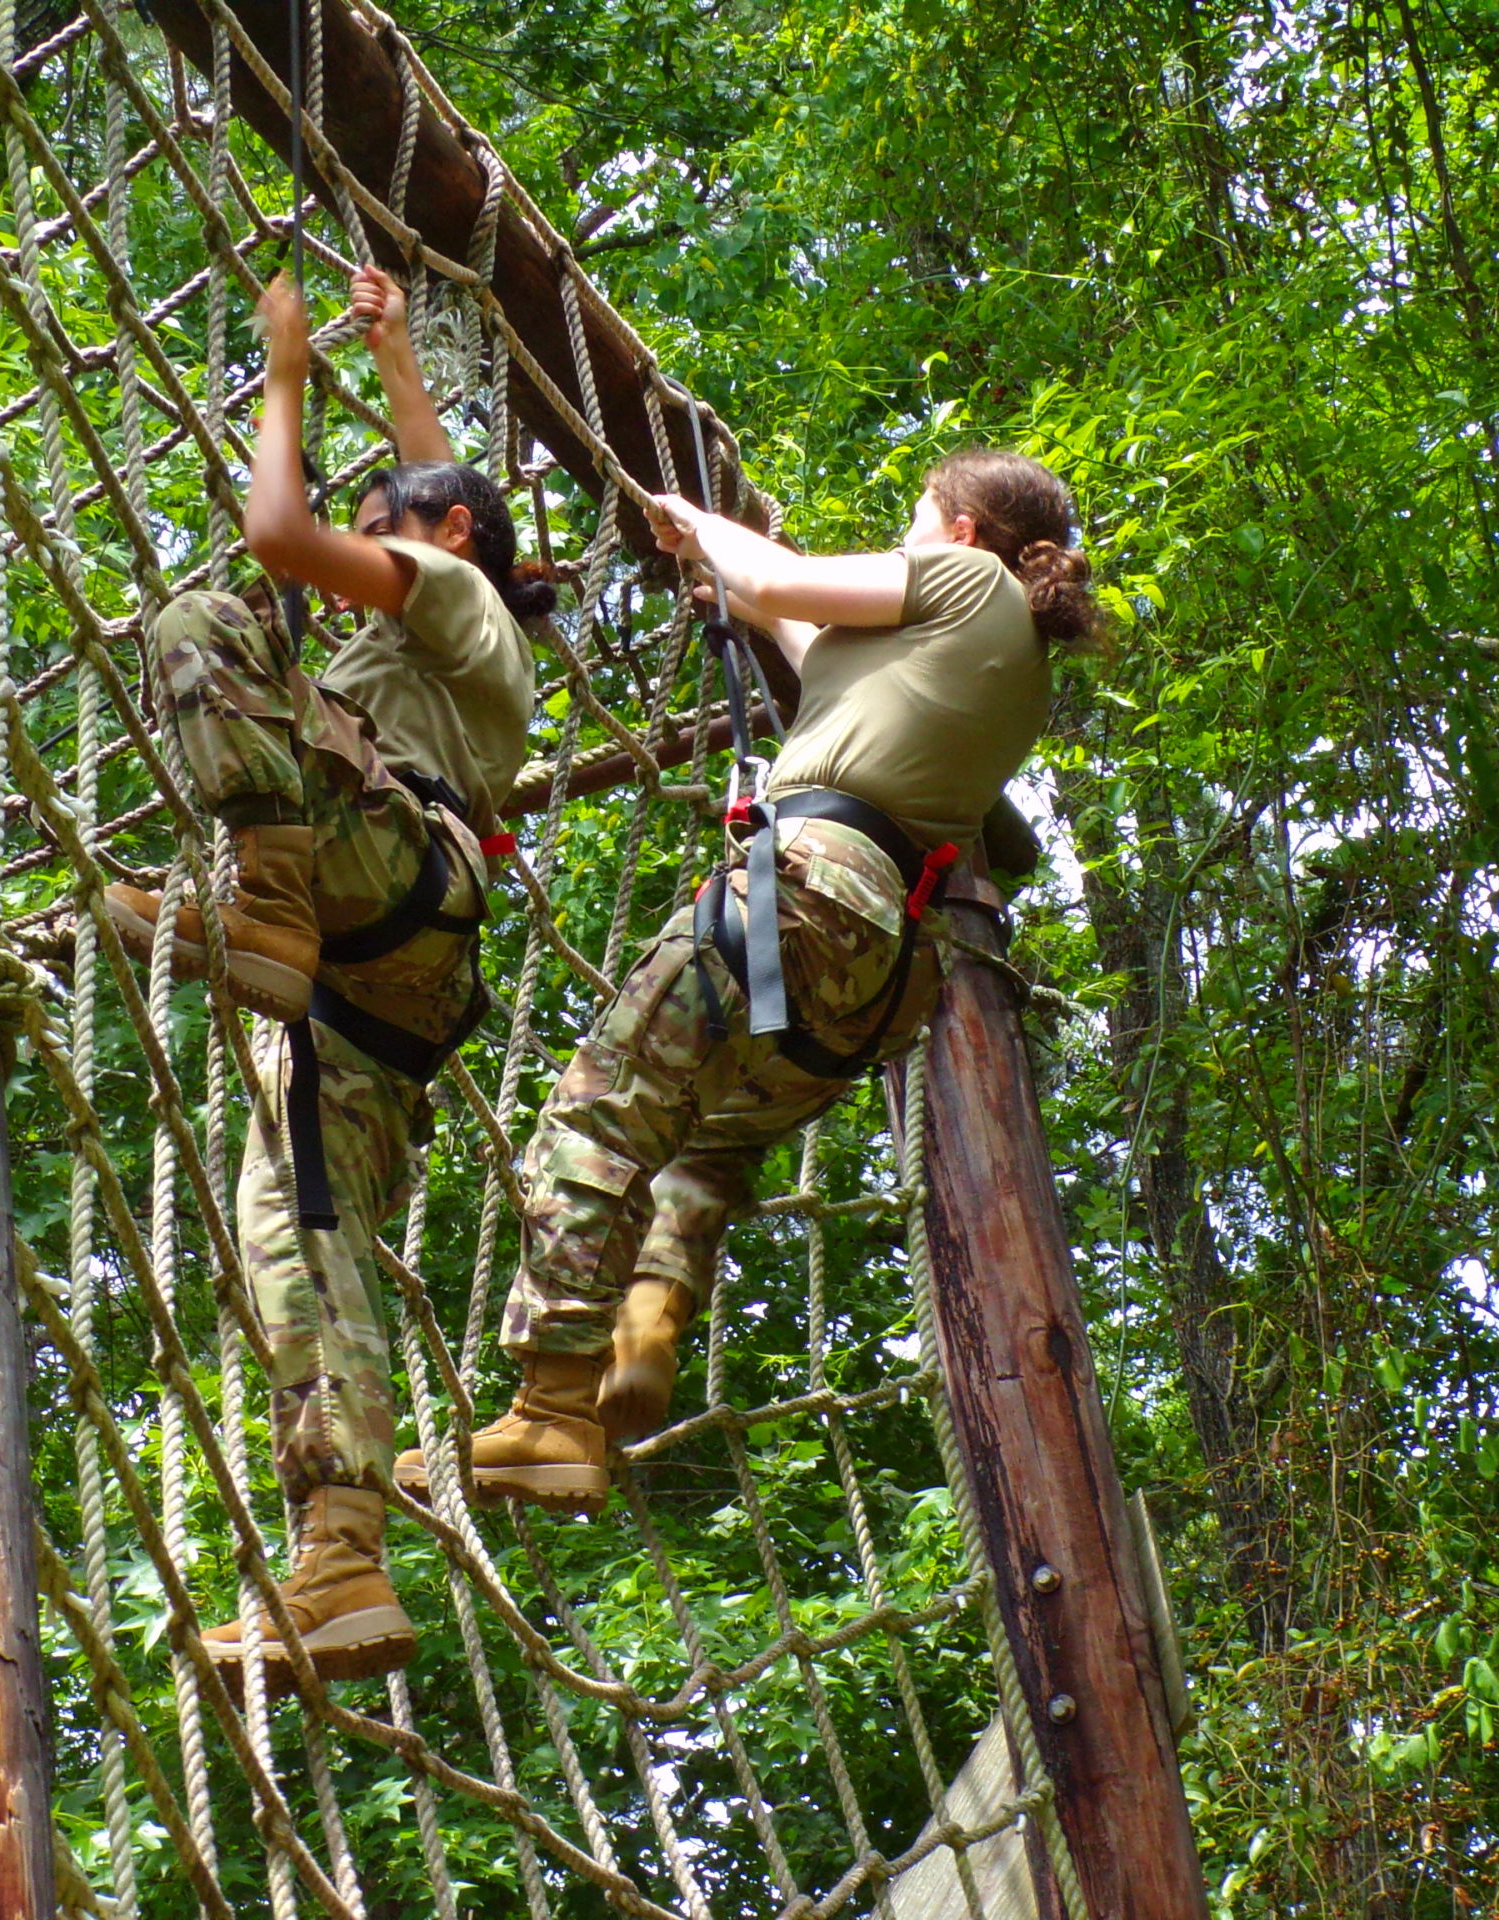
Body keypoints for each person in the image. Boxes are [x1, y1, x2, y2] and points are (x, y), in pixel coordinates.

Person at [398, 449, 1100, 1513]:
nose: (906, 540)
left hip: (808, 890)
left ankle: (548, 1410)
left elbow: (777, 581)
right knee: (702, 1152)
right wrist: (740, 589)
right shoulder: (998, 665)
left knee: (600, 1117)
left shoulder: (968, 579)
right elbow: (812, 642)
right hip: (875, 979)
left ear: (959, 532)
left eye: (914, 522)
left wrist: (698, 525)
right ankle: (646, 1322)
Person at [105, 264, 550, 1684]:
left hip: (394, 877)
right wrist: (401, 350)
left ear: (450, 539)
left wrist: (288, 369)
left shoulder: (458, 605)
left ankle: (267, 912)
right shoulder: (417, 627)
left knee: (204, 622)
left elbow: (278, 529)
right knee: (299, 1251)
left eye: (391, 531)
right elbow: (429, 489)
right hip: (377, 1002)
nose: (369, 553)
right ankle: (342, 1557)